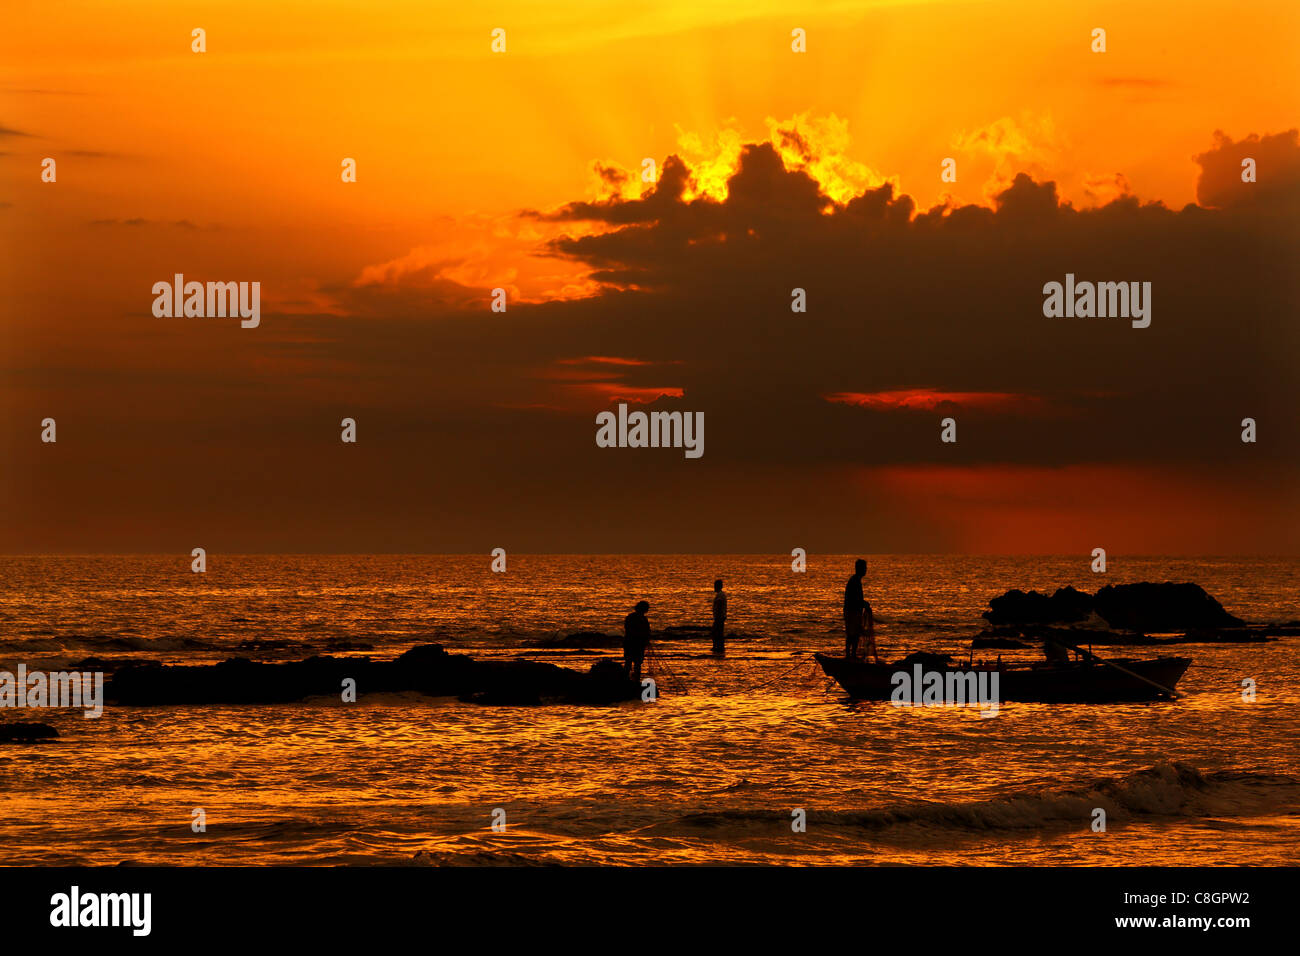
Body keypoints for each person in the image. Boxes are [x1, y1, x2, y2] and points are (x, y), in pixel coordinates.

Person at [843, 559, 880, 662]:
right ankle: (849, 656)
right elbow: (855, 598)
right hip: (851, 612)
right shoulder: (854, 581)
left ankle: (852, 655)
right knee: (852, 634)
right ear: (859, 569)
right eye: (864, 568)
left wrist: (864, 603)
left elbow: (857, 598)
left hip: (854, 611)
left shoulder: (856, 580)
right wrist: (864, 603)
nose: (865, 570)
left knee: (855, 633)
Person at [623, 600, 652, 682]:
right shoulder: (638, 618)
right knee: (633, 663)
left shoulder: (633, 617)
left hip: (633, 643)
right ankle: (632, 680)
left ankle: (630, 680)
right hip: (633, 643)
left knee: (632, 662)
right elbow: (630, 630)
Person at [710, 579, 727, 655]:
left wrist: (718, 616)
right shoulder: (721, 595)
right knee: (718, 632)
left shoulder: (720, 595)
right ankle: (719, 647)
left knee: (716, 632)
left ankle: (717, 647)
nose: (714, 587)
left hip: (719, 617)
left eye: (715, 586)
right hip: (720, 617)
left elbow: (719, 605)